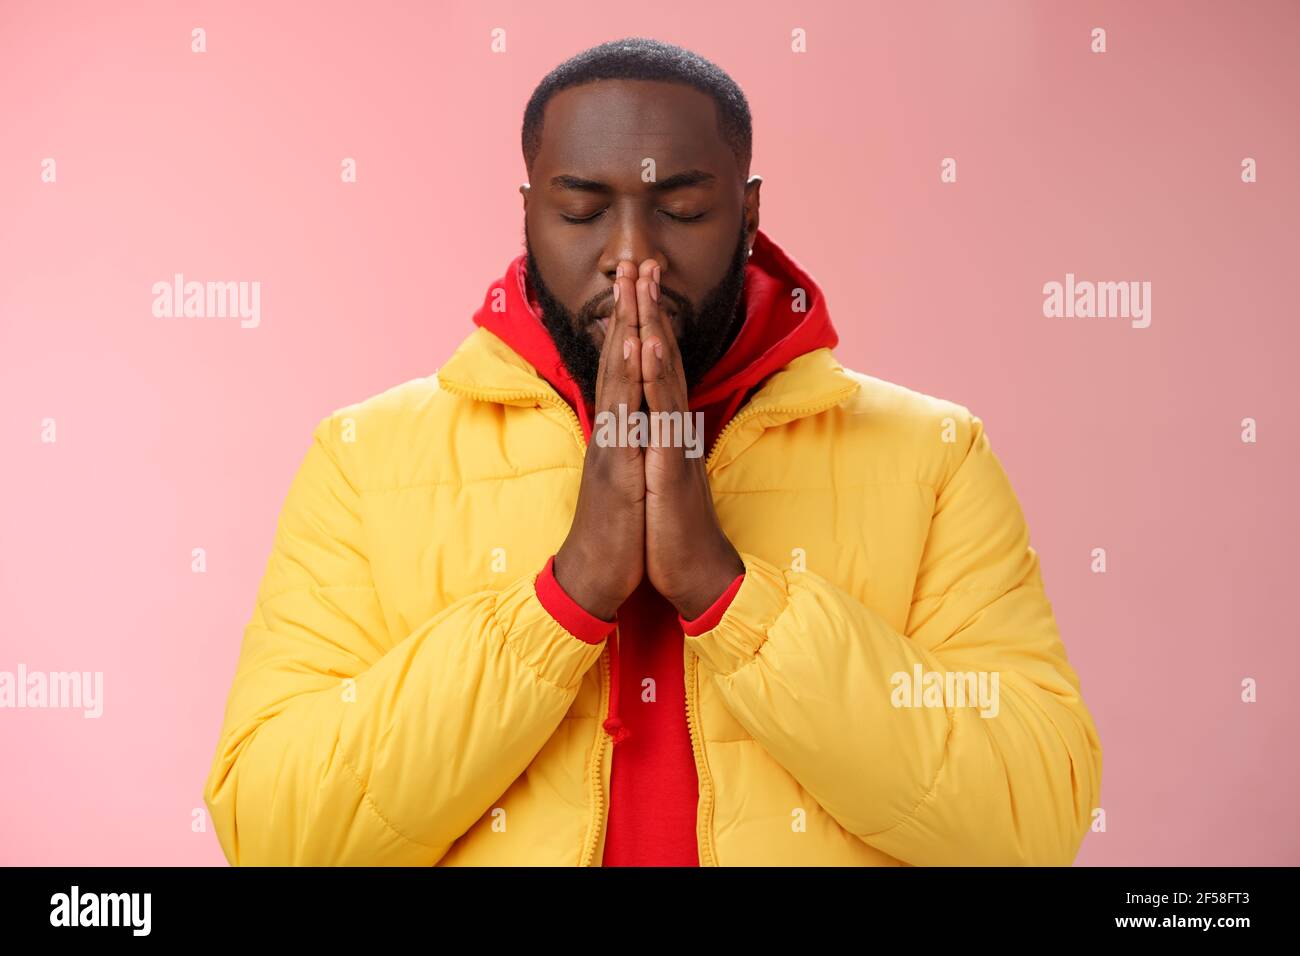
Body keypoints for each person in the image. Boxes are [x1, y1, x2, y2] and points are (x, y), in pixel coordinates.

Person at [202, 37, 1102, 866]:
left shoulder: (933, 454)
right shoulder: (368, 459)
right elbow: (275, 833)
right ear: (528, 215)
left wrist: (726, 591)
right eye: (583, 211)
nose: (633, 258)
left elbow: (1030, 821)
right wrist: (567, 596)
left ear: (748, 212)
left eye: (681, 209)